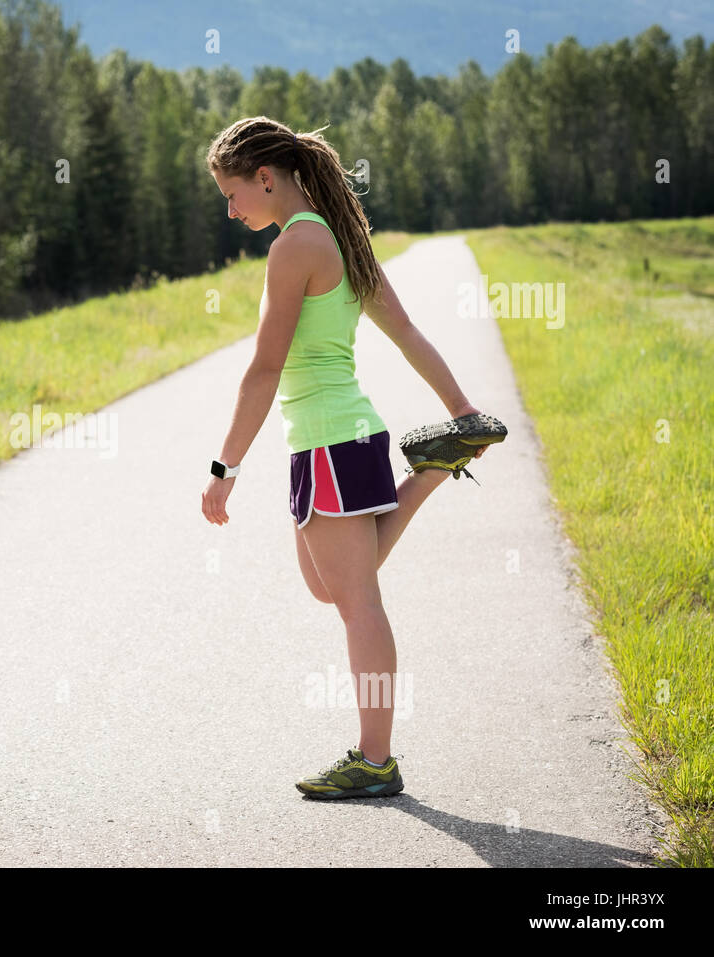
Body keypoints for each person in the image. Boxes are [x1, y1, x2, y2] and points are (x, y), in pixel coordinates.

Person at [200, 116, 507, 800]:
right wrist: (463, 412)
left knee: (358, 604)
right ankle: (432, 466)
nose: (230, 208)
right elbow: (404, 331)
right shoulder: (339, 236)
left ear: (266, 178)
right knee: (328, 585)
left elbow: (263, 369)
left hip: (333, 441)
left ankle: (375, 760)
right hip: (339, 439)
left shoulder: (294, 248)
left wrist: (225, 468)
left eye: (232, 193)